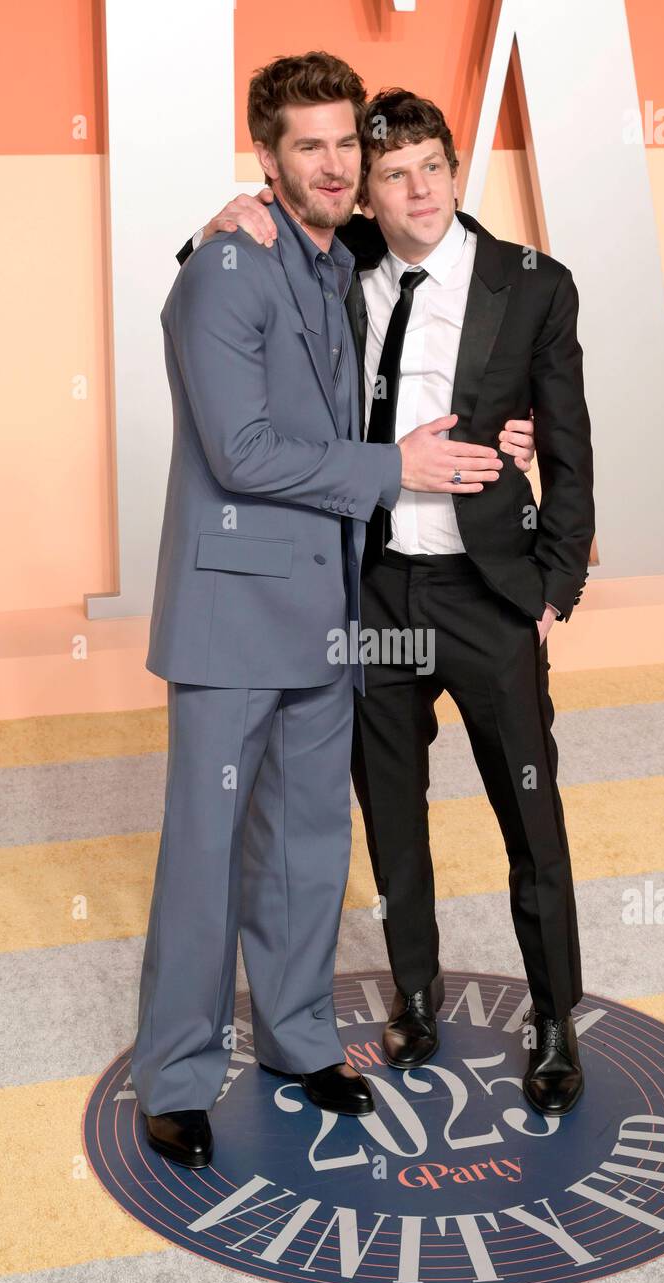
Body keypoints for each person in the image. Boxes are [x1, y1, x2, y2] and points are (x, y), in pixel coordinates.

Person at [183, 84, 596, 1118]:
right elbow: (248, 267)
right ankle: (416, 992)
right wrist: (207, 228)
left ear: (457, 171)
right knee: (388, 806)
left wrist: (558, 581)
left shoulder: (533, 285)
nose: (416, 189)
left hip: (488, 592)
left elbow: (572, 448)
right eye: (391, 173)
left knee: (529, 811)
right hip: (373, 586)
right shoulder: (341, 264)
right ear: (365, 192)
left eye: (433, 168)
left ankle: (553, 1020)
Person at [133, 56, 503, 1169]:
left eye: (349, 143)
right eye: (312, 146)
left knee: (305, 842)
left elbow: (449, 238)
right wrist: (395, 468)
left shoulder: (336, 256)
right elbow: (241, 452)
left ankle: (297, 1039)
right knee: (207, 851)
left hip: (321, 608)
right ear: (268, 155)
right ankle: (178, 1073)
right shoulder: (229, 270)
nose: (339, 164)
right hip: (232, 612)